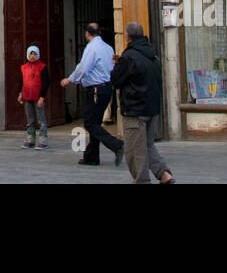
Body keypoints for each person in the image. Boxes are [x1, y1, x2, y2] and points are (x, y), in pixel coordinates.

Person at [111, 22, 174, 184]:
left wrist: (118, 65)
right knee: (147, 144)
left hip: (134, 109)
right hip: (153, 108)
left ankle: (142, 181)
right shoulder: (153, 56)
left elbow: (116, 79)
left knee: (134, 149)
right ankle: (164, 174)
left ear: (128, 37)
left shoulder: (129, 56)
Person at [60, 22, 124, 167]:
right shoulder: (108, 48)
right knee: (94, 121)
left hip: (96, 89)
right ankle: (91, 156)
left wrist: (70, 79)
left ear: (88, 34)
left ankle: (116, 145)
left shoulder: (91, 48)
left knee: (90, 122)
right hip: (106, 88)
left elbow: (83, 68)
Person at [17, 45, 49, 149]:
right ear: (27, 54)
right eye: (31, 53)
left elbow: (46, 83)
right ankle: (30, 139)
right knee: (30, 120)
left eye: (35, 54)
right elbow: (21, 82)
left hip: (38, 97)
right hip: (27, 96)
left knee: (41, 120)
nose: (32, 56)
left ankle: (42, 140)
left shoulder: (42, 67)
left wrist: (42, 97)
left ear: (38, 55)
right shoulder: (23, 67)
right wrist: (20, 94)